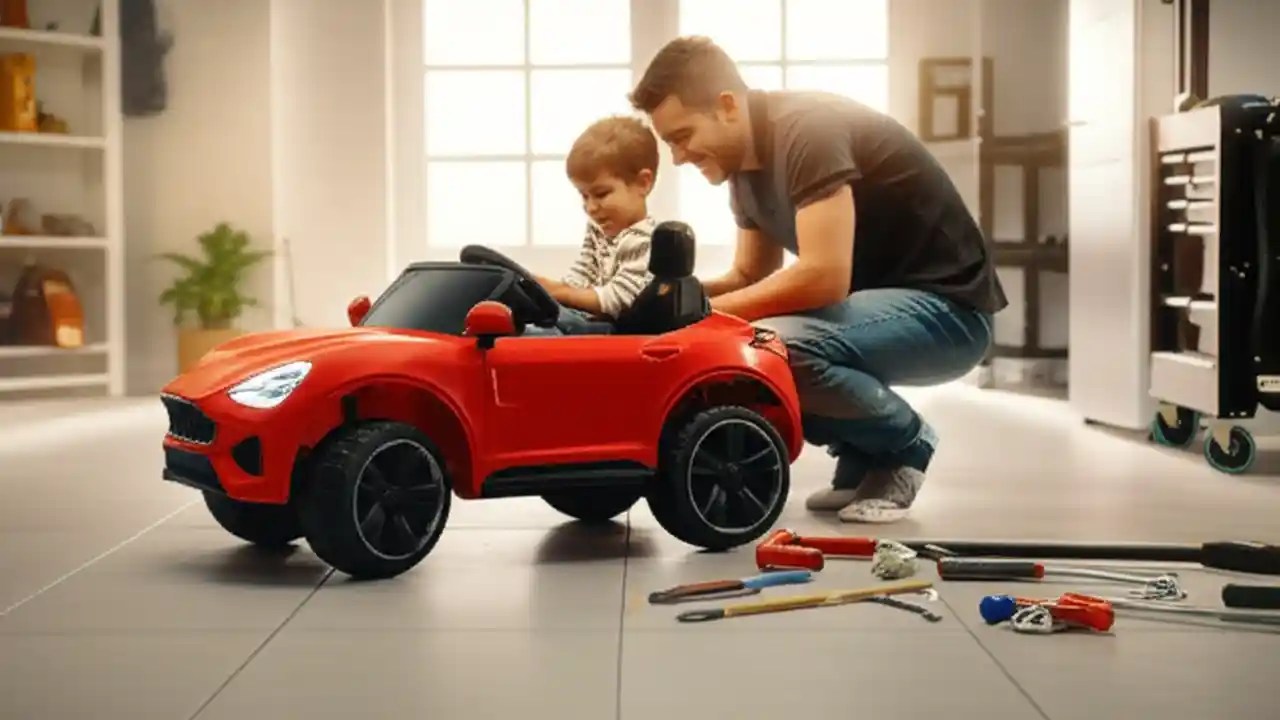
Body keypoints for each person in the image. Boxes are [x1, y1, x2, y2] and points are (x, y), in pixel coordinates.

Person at [628, 36, 1007, 523]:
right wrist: (665, 301)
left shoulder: (807, 131)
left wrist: (701, 317)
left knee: (776, 344)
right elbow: (749, 274)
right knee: (752, 340)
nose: (677, 157)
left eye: (682, 136)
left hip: (951, 313)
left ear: (726, 106)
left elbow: (826, 277)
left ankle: (905, 446)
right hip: (883, 309)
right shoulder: (743, 167)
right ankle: (864, 456)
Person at [534, 115, 660, 333]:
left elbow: (619, 299)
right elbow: (582, 272)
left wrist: (560, 292)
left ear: (643, 183)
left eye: (601, 194)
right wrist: (550, 291)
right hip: (592, 324)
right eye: (584, 196)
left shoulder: (648, 241)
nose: (591, 207)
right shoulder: (598, 229)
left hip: (622, 333)